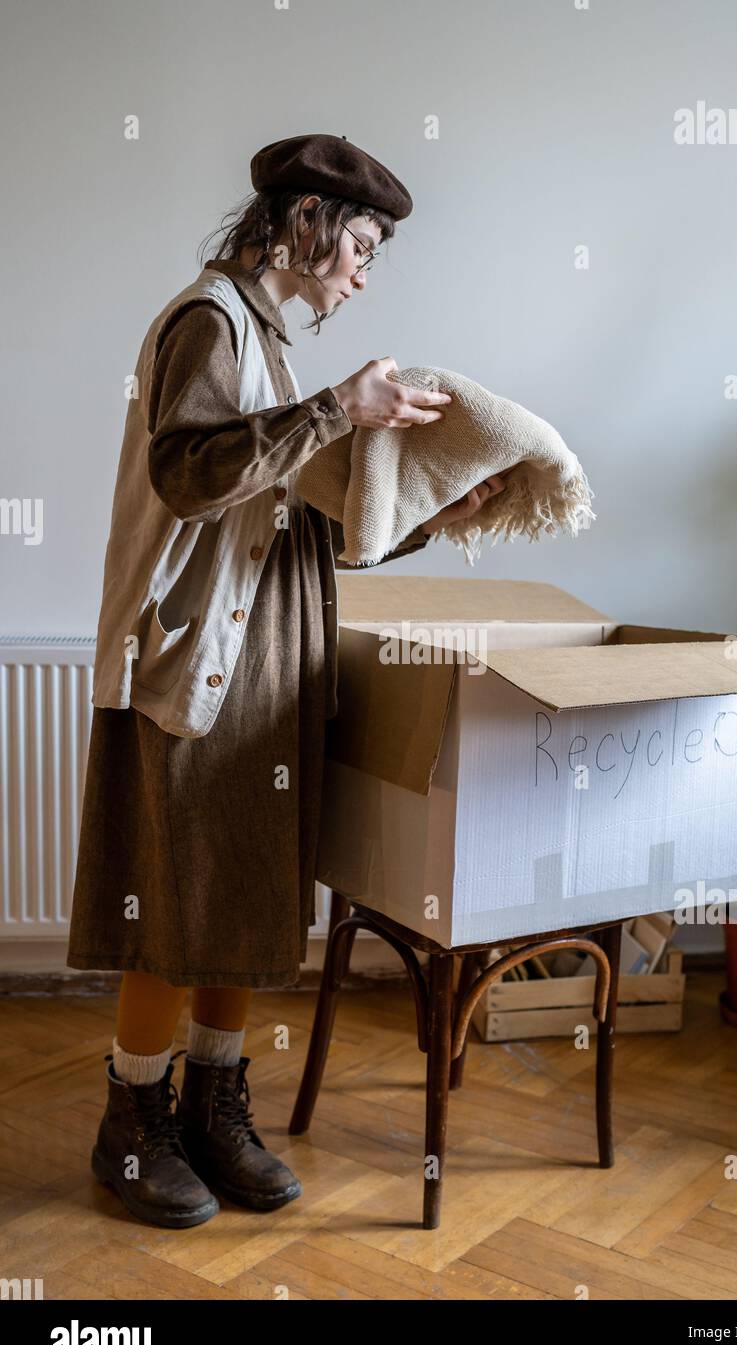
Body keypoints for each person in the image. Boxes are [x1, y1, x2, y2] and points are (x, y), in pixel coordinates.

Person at [67, 133, 507, 1228]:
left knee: (246, 897)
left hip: (269, 660)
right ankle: (131, 1124)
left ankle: (213, 1107)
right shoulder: (207, 322)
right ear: (304, 223)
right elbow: (190, 472)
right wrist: (336, 411)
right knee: (176, 904)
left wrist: (427, 521)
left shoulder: (264, 343)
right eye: (359, 243)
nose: (361, 271)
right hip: (195, 668)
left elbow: (302, 528)